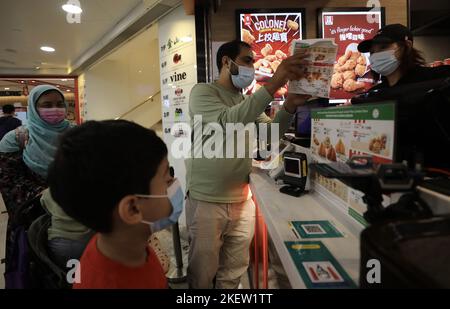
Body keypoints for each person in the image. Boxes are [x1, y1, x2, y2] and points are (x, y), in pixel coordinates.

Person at [185, 40, 311, 288]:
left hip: (242, 200)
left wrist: (290, 105)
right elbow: (228, 120)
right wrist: (275, 82)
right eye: (247, 60)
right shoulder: (203, 92)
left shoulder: (246, 101)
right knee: (202, 275)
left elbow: (270, 136)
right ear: (226, 62)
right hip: (206, 200)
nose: (252, 67)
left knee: (233, 273)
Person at [47, 120, 182, 289]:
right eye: (166, 178)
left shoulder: (127, 246)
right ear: (132, 209)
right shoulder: (109, 282)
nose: (174, 183)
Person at [355, 24, 450, 169]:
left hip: (434, 173)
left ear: (407, 46)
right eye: (372, 52)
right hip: (387, 172)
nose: (375, 56)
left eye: (383, 48)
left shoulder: (434, 80)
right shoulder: (376, 93)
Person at [0, 85, 71, 212]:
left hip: (76, 213)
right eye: (47, 105)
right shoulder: (15, 139)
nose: (55, 109)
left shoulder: (77, 134)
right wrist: (47, 198)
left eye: (60, 104)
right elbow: (9, 183)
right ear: (33, 108)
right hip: (35, 215)